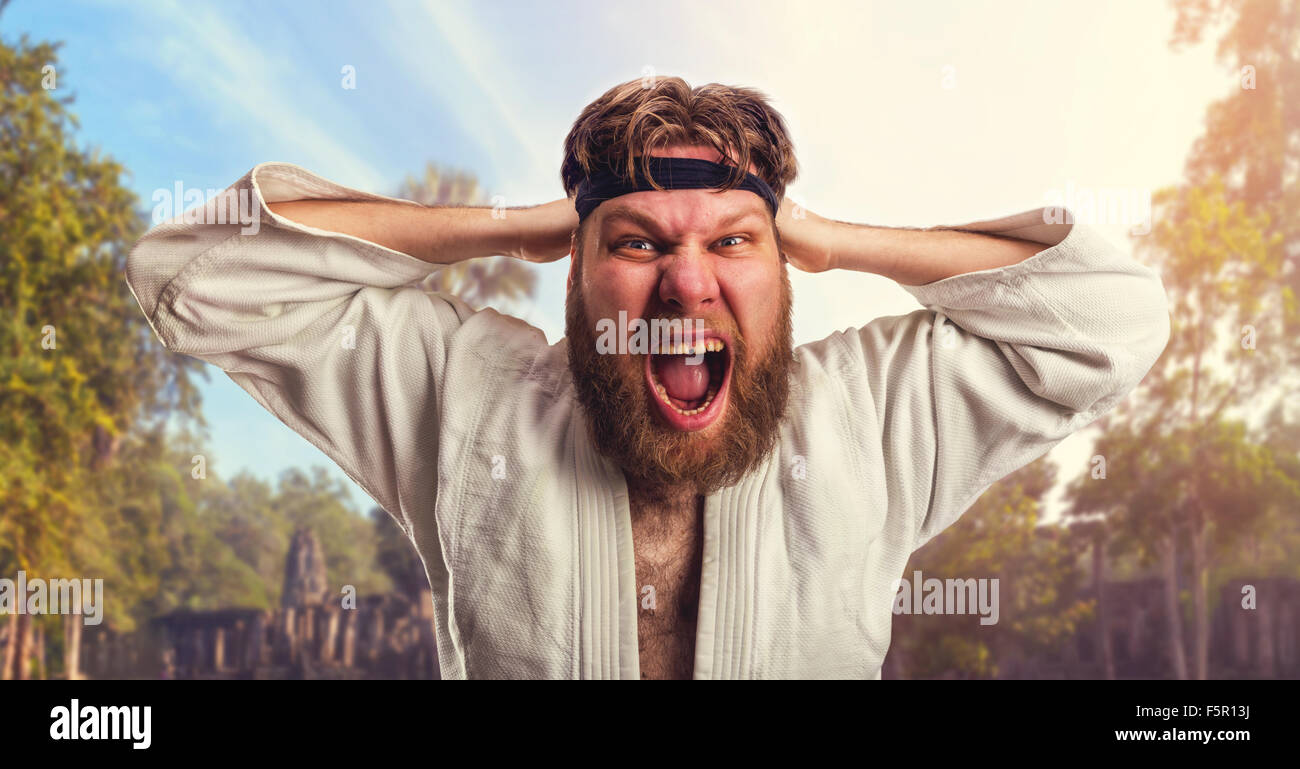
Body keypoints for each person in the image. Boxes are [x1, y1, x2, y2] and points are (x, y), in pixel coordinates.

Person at [126, 77, 1170, 679]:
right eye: (635, 245)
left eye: (733, 242)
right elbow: (193, 275)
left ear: (782, 267)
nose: (686, 283)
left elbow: (1113, 319)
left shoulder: (868, 417)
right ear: (576, 275)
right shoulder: (465, 400)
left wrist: (833, 237)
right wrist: (532, 226)